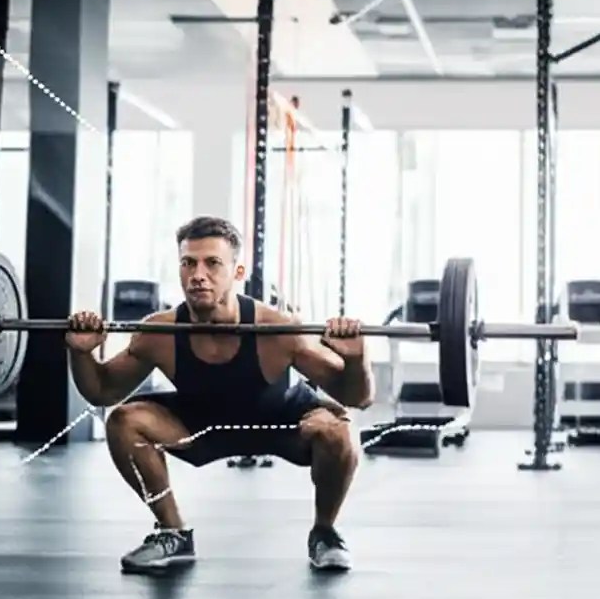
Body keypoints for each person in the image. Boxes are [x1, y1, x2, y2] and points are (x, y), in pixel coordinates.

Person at [66, 216, 372, 575]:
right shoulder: (159, 332)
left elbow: (357, 397)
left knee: (338, 430)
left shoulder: (276, 329)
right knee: (123, 421)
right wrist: (81, 353)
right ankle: (172, 532)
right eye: (188, 263)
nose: (198, 274)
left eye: (212, 263)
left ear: (237, 271)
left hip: (278, 424)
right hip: (200, 426)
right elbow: (102, 391)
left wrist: (355, 358)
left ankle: (325, 533)